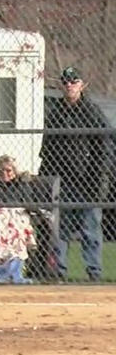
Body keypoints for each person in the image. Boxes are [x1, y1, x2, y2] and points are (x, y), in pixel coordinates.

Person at [39, 66, 113, 281]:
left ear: (83, 85)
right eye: (66, 81)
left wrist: (100, 180)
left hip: (87, 182)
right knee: (60, 230)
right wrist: (46, 180)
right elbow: (47, 151)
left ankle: (94, 273)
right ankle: (59, 272)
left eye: (74, 81)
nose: (69, 85)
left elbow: (105, 149)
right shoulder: (56, 113)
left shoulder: (91, 112)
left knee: (90, 230)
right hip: (63, 182)